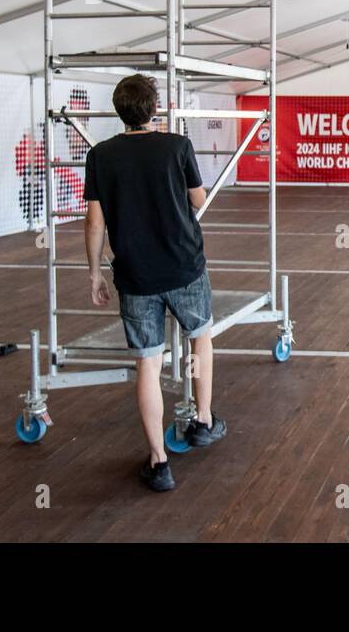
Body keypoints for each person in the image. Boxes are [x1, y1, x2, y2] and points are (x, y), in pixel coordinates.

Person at [83, 74, 225, 492]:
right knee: (200, 337)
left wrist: (94, 273)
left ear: (119, 111)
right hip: (183, 265)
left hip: (135, 273)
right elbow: (198, 199)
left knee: (148, 361)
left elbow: (95, 222)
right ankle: (202, 421)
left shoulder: (101, 156)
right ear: (155, 108)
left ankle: (159, 462)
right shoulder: (176, 146)